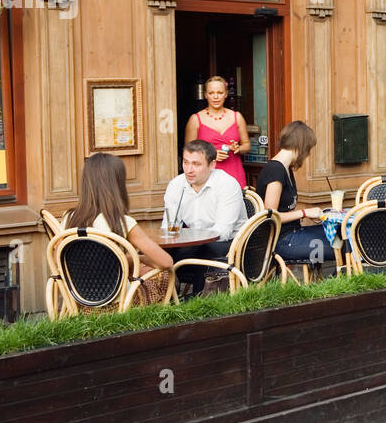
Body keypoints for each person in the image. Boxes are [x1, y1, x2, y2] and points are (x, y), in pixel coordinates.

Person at [64, 152, 173, 304]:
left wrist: (125, 261)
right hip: (119, 301)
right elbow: (166, 262)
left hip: (80, 300)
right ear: (118, 185)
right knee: (165, 275)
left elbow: (62, 262)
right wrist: (138, 259)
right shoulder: (121, 222)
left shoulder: (69, 218)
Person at [164, 140, 248, 296]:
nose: (189, 170)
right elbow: (168, 227)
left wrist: (189, 239)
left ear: (212, 165)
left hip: (231, 243)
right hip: (194, 241)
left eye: (196, 164)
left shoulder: (226, 184)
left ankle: (200, 303)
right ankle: (166, 302)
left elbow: (222, 232)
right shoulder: (176, 185)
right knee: (161, 252)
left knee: (205, 248)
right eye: (186, 162)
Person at [255, 120, 327, 266]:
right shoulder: (276, 170)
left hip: (292, 234)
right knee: (342, 245)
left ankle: (320, 281)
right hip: (280, 242)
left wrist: (310, 214)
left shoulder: (286, 168)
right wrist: (305, 213)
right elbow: (270, 216)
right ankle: (327, 285)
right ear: (301, 147)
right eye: (308, 150)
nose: (308, 155)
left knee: (339, 236)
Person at [185, 76, 251, 191]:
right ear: (205, 95)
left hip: (234, 172)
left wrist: (238, 148)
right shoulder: (195, 119)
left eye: (220, 93)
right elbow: (189, 151)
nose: (215, 97)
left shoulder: (237, 117)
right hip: (207, 175)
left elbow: (247, 145)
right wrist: (211, 153)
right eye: (211, 93)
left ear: (226, 94)